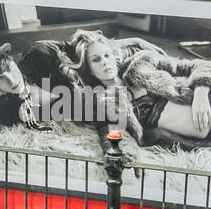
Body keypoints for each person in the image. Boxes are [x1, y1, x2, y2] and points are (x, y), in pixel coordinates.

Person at [65, 29, 211, 149]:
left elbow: (197, 65)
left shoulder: (142, 63)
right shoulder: (105, 102)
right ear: (89, 69)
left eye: (107, 55)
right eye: (96, 60)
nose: (105, 62)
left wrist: (201, 95)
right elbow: (113, 137)